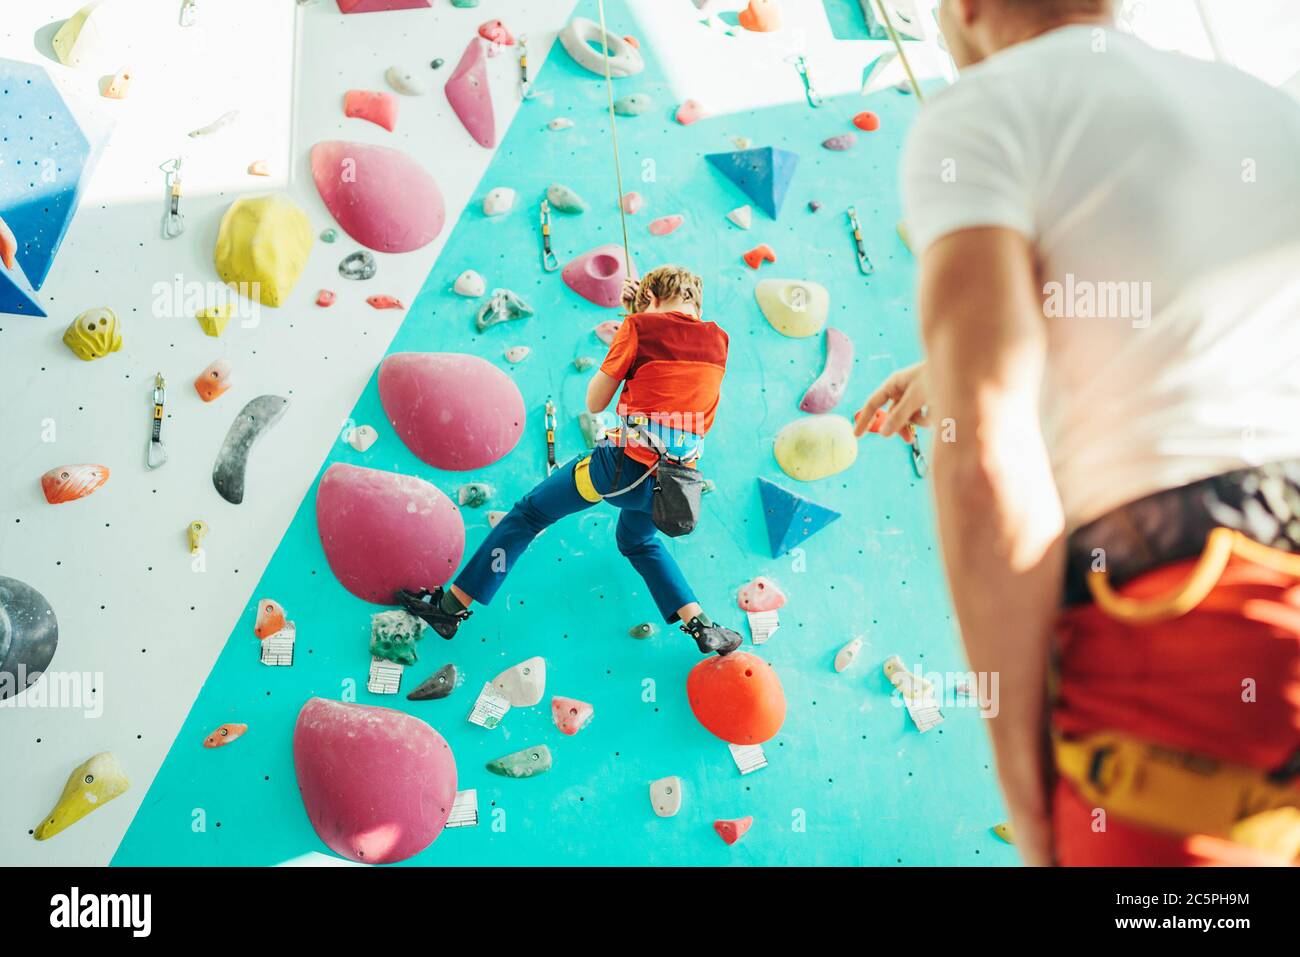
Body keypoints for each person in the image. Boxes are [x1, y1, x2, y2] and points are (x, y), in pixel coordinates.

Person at [857, 0, 1300, 865]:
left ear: (965, 8)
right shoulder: (1266, 108)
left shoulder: (984, 109)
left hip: (1192, 627)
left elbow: (986, 452)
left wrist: (1030, 805)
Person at [400, 265, 743, 657]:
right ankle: (700, 625)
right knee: (639, 542)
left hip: (617, 472)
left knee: (528, 516)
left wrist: (633, 320)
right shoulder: (720, 342)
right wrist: (639, 314)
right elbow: (673, 366)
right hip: (670, 487)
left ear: (650, 299)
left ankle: (450, 609)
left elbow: (595, 402)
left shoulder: (639, 328)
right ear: (695, 301)